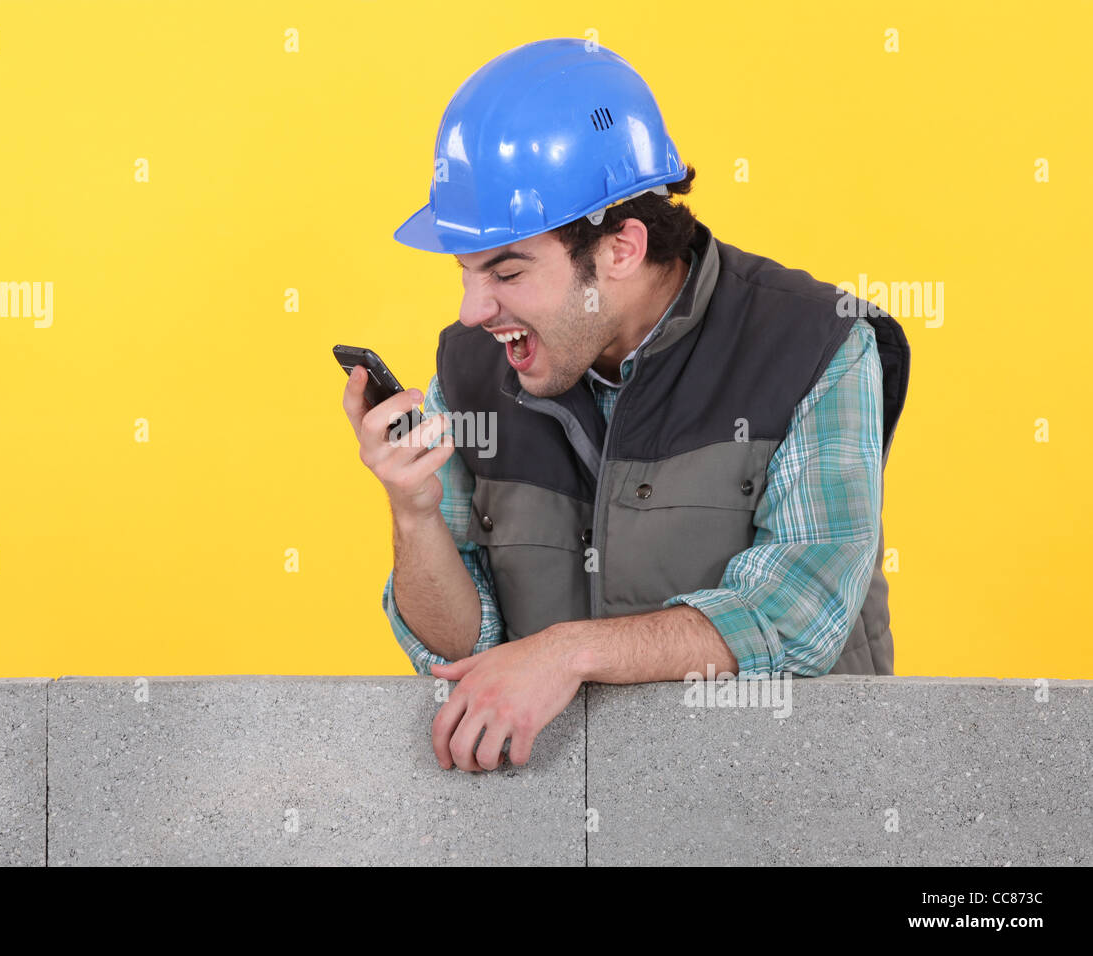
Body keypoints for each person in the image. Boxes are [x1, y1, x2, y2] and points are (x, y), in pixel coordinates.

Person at [340, 38, 910, 772]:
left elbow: (799, 615)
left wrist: (568, 653)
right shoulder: (474, 368)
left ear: (620, 248)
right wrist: (413, 514)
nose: (474, 309)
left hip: (790, 805)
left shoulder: (814, 345)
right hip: (560, 812)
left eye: (507, 270)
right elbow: (464, 652)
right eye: (466, 271)